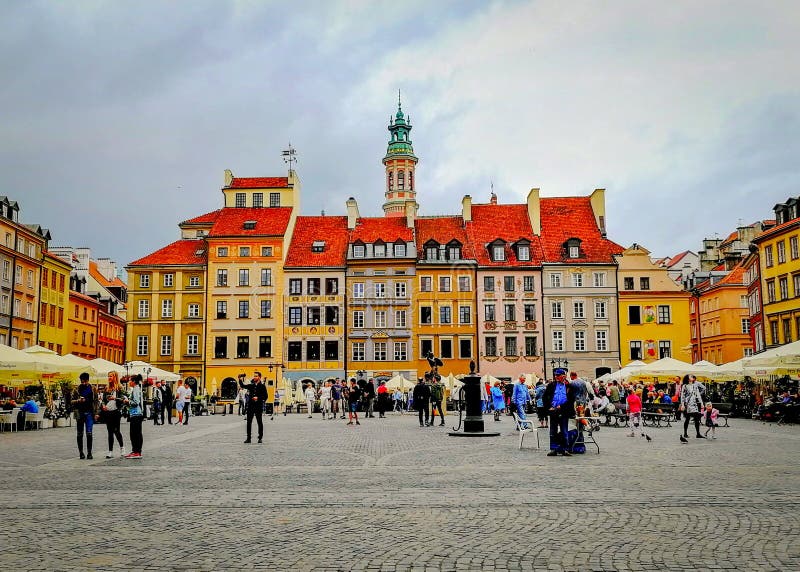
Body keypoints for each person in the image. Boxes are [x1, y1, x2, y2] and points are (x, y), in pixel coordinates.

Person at [544, 370, 575, 457]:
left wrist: (561, 406)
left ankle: (564, 449)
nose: (556, 377)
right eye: (555, 375)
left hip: (564, 411)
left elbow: (571, 400)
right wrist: (548, 407)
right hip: (553, 410)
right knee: (553, 430)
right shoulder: (551, 385)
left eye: (558, 375)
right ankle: (553, 449)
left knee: (564, 430)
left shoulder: (569, 386)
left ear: (564, 376)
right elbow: (545, 397)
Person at [73, 372, 98, 459]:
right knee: (79, 433)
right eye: (82, 381)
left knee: (89, 433)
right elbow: (72, 401)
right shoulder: (77, 389)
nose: (83, 383)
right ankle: (81, 453)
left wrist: (96, 413)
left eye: (85, 381)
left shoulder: (93, 388)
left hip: (89, 413)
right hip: (79, 413)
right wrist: (78, 400)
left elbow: (96, 401)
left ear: (88, 380)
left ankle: (89, 453)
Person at [100, 372, 125, 458]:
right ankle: (110, 451)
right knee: (110, 432)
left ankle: (122, 447)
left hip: (116, 412)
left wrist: (114, 398)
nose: (109, 378)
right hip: (108, 412)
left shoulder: (120, 388)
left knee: (116, 431)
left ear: (115, 377)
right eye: (108, 376)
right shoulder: (107, 388)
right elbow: (103, 400)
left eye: (110, 376)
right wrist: (103, 405)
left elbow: (123, 399)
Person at [240, 371, 267, 443]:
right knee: (249, 422)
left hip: (258, 406)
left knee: (259, 422)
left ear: (259, 377)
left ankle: (260, 437)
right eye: (254, 376)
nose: (254, 377)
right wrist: (239, 379)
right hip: (251, 406)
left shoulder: (262, 386)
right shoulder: (251, 385)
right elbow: (243, 386)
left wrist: (258, 398)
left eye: (256, 376)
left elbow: (265, 396)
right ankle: (248, 438)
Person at [679, 374, 706, 440]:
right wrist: (682, 405)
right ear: (688, 379)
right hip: (687, 404)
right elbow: (682, 396)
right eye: (690, 377)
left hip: (694, 404)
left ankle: (698, 433)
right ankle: (685, 433)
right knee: (687, 419)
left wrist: (702, 403)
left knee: (697, 419)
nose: (692, 377)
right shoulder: (684, 386)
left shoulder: (694, 386)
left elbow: (698, 395)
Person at [123, 375, 144, 459]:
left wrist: (127, 401)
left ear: (133, 381)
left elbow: (136, 402)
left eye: (130, 381)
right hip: (137, 414)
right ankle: (136, 451)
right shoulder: (137, 388)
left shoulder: (136, 389)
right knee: (136, 433)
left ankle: (136, 451)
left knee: (135, 433)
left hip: (136, 413)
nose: (129, 382)